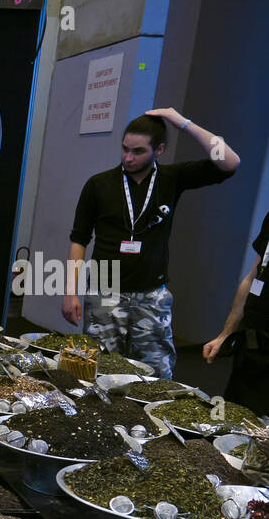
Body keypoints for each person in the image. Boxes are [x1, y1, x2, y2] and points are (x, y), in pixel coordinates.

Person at [62, 108, 239, 379]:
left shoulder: (172, 179)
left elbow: (229, 162)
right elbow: (79, 240)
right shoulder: (98, 185)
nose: (128, 157)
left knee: (156, 375)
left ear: (159, 150)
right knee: (98, 371)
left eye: (138, 151)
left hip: (151, 294)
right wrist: (70, 292)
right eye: (124, 149)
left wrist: (182, 122)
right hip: (104, 291)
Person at [203, 211, 269, 406]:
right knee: (235, 416)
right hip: (251, 345)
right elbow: (252, 278)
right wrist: (225, 334)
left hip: (151, 300)